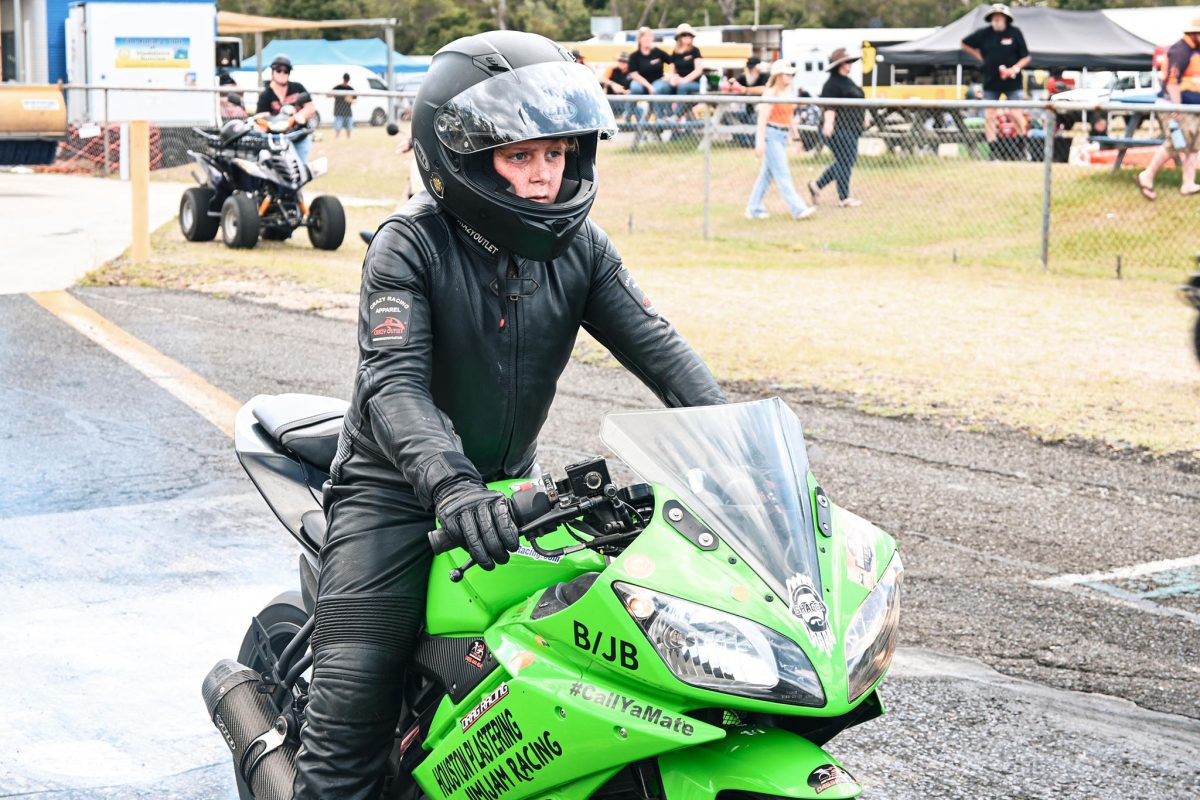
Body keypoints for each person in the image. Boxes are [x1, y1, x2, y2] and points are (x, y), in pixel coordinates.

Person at [292, 29, 726, 799]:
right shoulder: (408, 245)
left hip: (511, 499)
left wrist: (741, 454)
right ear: (462, 157)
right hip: (394, 499)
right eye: (519, 157)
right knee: (342, 750)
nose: (542, 177)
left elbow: (662, 351)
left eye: (555, 154)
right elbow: (395, 387)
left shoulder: (581, 247)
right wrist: (452, 487)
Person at [1136, 16, 1200, 200]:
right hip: (1176, 106)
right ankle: (1146, 176)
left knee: (1194, 145)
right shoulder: (1181, 51)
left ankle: (1188, 183)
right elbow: (1172, 81)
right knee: (1176, 142)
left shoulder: (1195, 50)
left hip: (1193, 107)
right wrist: (1177, 107)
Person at [746, 60, 815, 221]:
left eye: (791, 73)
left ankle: (753, 208)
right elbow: (762, 119)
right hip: (771, 134)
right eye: (786, 73)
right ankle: (798, 208)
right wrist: (760, 142)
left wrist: (796, 138)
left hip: (782, 135)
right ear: (777, 75)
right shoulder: (771, 93)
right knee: (783, 173)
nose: (790, 76)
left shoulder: (789, 92)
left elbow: (789, 118)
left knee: (766, 175)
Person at [960, 4, 1031, 149]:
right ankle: (992, 146)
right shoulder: (984, 33)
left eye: (1000, 17)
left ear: (1006, 18)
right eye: (994, 17)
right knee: (989, 115)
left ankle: (1022, 144)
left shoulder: (1015, 33)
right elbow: (964, 43)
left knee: (1015, 114)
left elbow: (1026, 57)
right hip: (991, 80)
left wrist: (1014, 69)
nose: (997, 19)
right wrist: (980, 57)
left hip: (1012, 82)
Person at [810, 48, 865, 208]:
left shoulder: (848, 80)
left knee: (846, 160)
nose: (850, 65)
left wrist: (863, 118)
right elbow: (829, 107)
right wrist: (828, 124)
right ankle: (844, 198)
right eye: (847, 62)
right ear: (840, 65)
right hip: (839, 129)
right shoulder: (832, 84)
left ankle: (817, 185)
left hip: (852, 127)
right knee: (845, 160)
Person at [256, 54, 317, 163]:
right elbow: (262, 119)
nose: (282, 73)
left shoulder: (298, 88)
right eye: (279, 70)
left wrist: (301, 115)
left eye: (286, 71)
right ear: (272, 71)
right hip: (277, 142)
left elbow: (310, 108)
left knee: (301, 170)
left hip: (299, 137)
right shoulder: (265, 95)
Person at [626, 27, 671, 122]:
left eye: (650, 36)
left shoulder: (658, 52)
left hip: (658, 81)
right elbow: (634, 74)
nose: (648, 39)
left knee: (658, 89)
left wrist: (670, 75)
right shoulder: (634, 56)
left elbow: (673, 61)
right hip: (641, 82)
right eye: (645, 36)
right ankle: (629, 115)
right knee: (634, 88)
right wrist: (649, 86)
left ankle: (659, 118)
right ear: (640, 39)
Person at [667, 23, 705, 104]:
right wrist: (673, 79)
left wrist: (684, 80)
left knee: (682, 87)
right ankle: (665, 115)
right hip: (679, 81)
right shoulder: (674, 53)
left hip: (694, 83)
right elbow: (672, 71)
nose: (687, 36)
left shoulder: (695, 51)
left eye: (689, 34)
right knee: (664, 87)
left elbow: (698, 70)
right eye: (684, 34)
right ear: (679, 37)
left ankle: (677, 115)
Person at [603, 52, 633, 119]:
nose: (622, 62)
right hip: (610, 100)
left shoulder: (632, 72)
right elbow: (602, 78)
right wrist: (613, 84)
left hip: (625, 100)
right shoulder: (612, 69)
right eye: (620, 60)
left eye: (625, 61)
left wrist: (625, 91)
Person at [331, 72, 356, 139]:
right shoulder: (337, 87)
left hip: (348, 112)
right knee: (338, 128)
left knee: (349, 128)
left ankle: (348, 139)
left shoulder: (351, 89)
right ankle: (336, 138)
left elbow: (355, 100)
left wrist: (349, 100)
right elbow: (328, 95)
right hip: (338, 111)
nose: (346, 81)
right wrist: (335, 94)